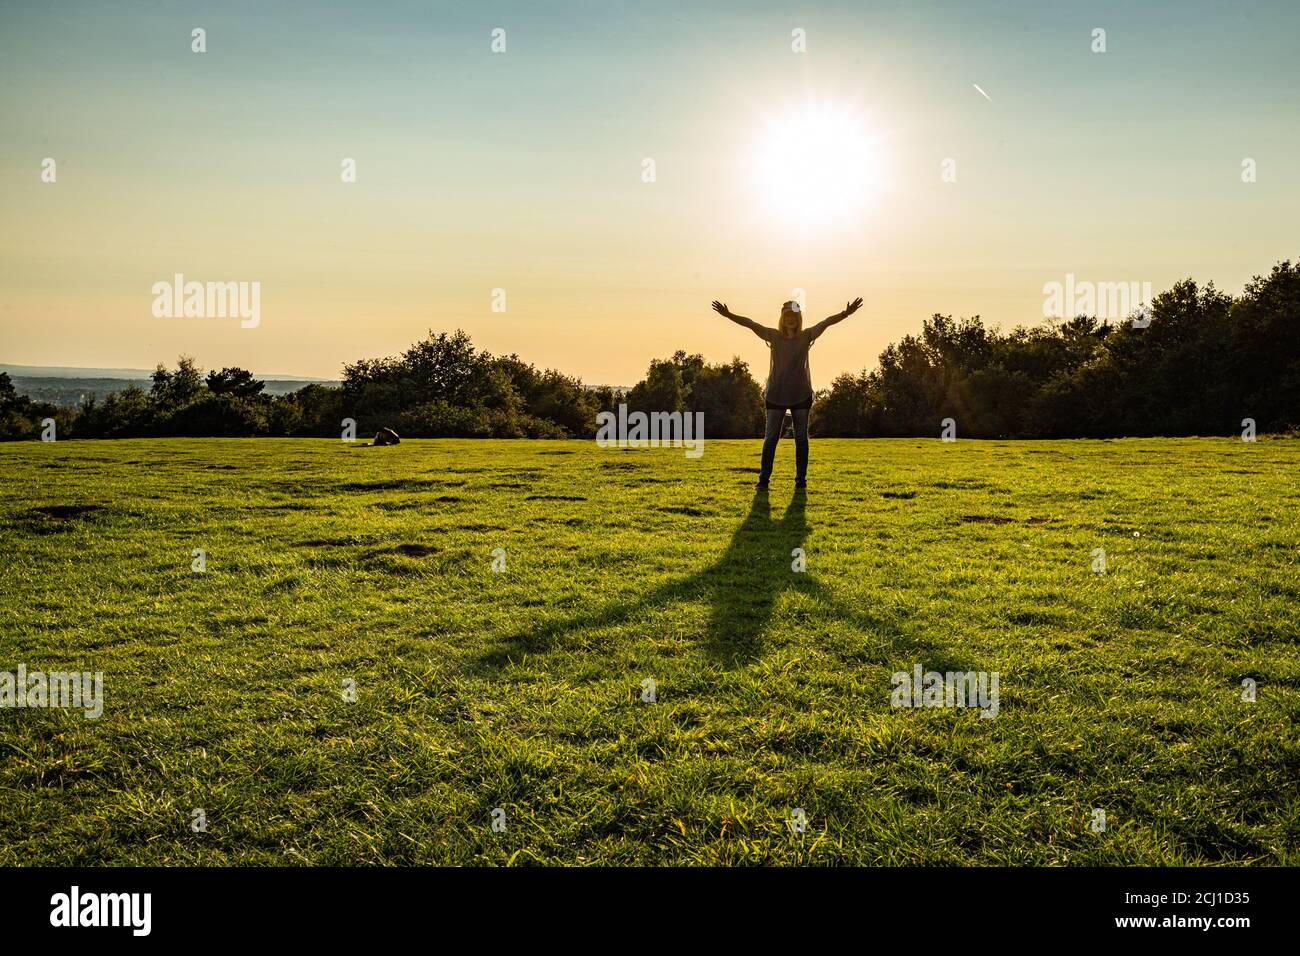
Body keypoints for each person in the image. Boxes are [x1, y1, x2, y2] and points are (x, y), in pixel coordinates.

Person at [712, 296, 863, 490]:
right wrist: (728, 314)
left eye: (794, 315)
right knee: (771, 439)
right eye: (787, 316)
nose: (790, 319)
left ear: (799, 319)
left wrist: (846, 313)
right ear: (782, 318)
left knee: (801, 439)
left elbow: (827, 322)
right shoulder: (773, 336)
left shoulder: (807, 335)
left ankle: (800, 480)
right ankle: (763, 481)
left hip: (801, 395)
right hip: (776, 394)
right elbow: (750, 324)